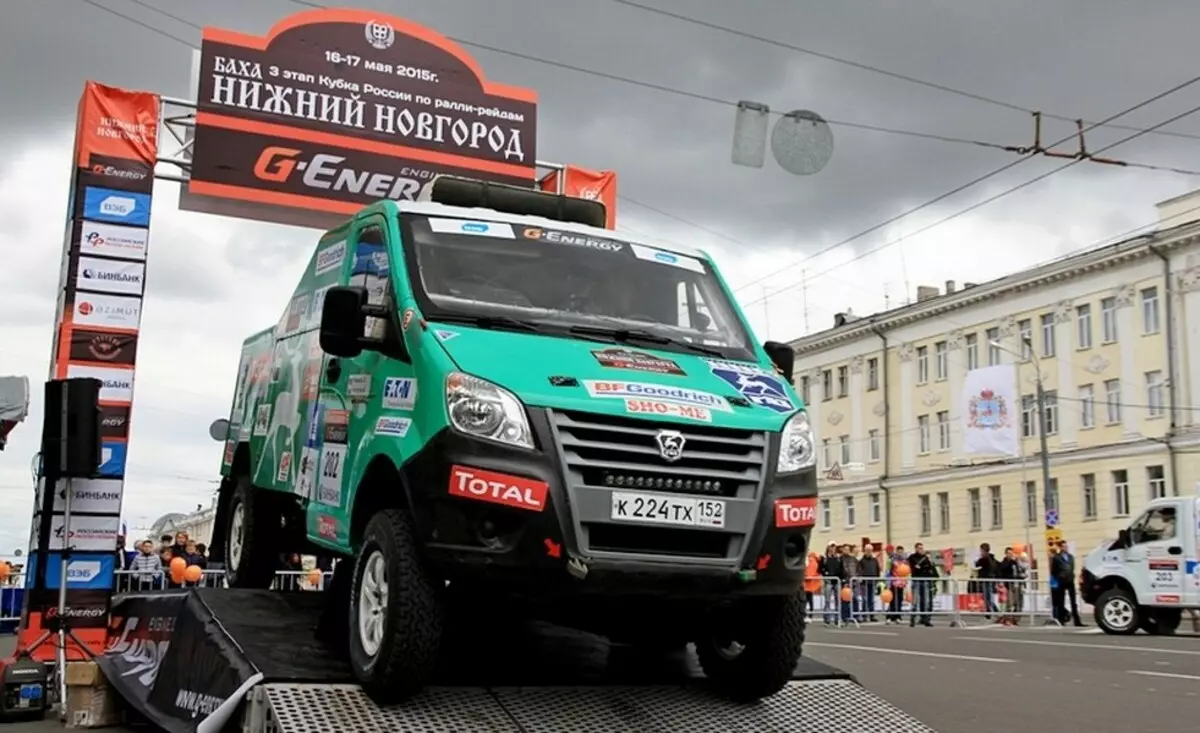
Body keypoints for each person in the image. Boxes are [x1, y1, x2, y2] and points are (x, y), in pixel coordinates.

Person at [1050, 540, 1084, 626]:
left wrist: (1072, 576)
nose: (1065, 548)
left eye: (1066, 546)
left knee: (1074, 601)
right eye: (1064, 546)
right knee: (1061, 601)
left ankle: (1077, 621)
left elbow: (1072, 568)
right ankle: (1061, 620)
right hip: (1061, 581)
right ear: (1060, 547)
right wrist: (1058, 578)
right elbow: (1053, 571)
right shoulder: (1056, 557)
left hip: (1070, 580)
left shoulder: (1070, 557)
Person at [907, 543, 937, 627]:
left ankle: (926, 619)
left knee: (926, 601)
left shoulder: (926, 557)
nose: (921, 550)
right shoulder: (912, 557)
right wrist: (921, 567)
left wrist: (922, 566)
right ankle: (912, 619)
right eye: (919, 548)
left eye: (922, 548)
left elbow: (929, 567)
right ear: (916, 549)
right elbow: (915, 568)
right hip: (916, 580)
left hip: (925, 580)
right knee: (915, 601)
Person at [819, 543, 842, 626]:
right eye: (831, 547)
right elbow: (820, 569)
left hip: (837, 581)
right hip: (828, 581)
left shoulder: (838, 558)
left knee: (837, 601)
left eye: (834, 547)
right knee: (827, 600)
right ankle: (827, 618)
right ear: (828, 548)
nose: (832, 549)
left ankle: (837, 618)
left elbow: (841, 568)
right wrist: (825, 574)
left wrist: (841, 578)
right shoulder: (824, 558)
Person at [975, 543, 999, 619]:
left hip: (987, 580)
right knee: (988, 597)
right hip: (991, 579)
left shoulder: (985, 559)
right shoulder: (992, 558)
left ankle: (994, 612)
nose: (980, 552)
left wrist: (979, 559)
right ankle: (990, 612)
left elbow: (977, 564)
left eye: (981, 551)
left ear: (984, 551)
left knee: (987, 598)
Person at [839, 544, 861, 624]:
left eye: (848, 549)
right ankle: (845, 617)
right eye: (845, 549)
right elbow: (839, 571)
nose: (847, 551)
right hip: (845, 583)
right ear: (842, 550)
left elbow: (858, 569)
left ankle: (856, 616)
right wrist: (844, 581)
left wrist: (858, 578)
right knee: (845, 600)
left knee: (855, 599)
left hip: (853, 582)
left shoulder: (853, 559)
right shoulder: (840, 559)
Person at [859, 547, 881, 622]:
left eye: (870, 550)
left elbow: (877, 570)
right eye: (867, 550)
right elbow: (860, 571)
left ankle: (872, 615)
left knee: (871, 599)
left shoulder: (874, 560)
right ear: (864, 551)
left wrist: (877, 579)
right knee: (865, 599)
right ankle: (864, 615)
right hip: (864, 583)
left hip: (872, 582)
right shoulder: (861, 561)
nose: (869, 552)